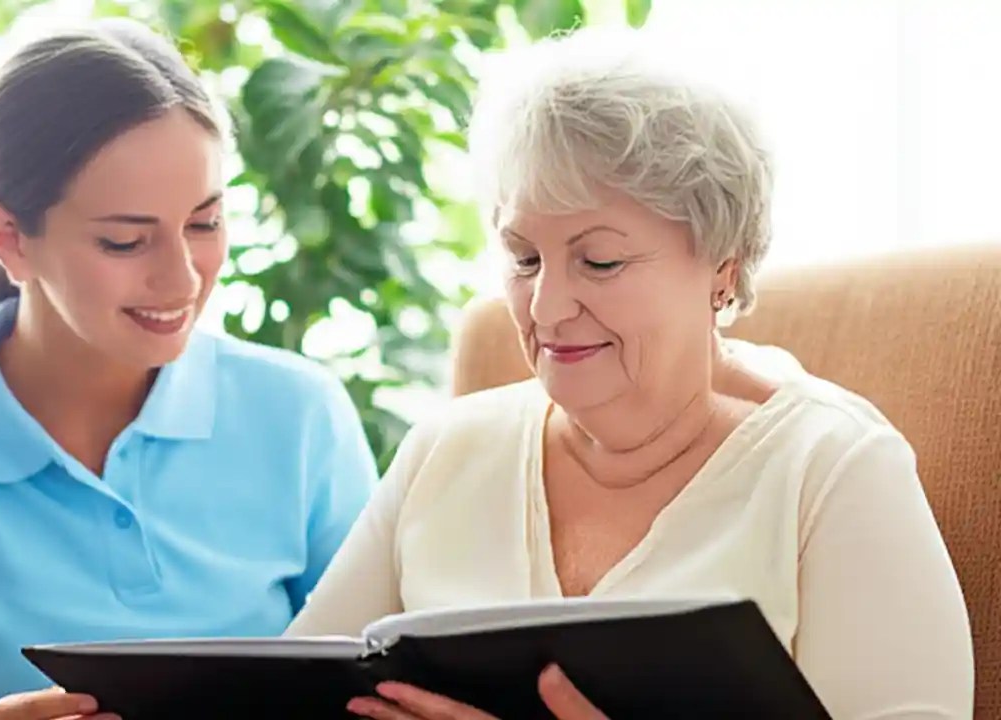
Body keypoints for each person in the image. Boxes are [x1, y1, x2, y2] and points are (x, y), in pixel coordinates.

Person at [284, 29, 976, 719]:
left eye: (601, 262)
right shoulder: (445, 451)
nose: (548, 309)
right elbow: (280, 699)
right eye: (524, 259)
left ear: (722, 269)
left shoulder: (833, 470)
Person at [0, 19, 377, 720]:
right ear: (11, 239)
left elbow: (379, 696)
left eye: (204, 224)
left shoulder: (301, 418)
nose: (182, 279)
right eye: (125, 240)